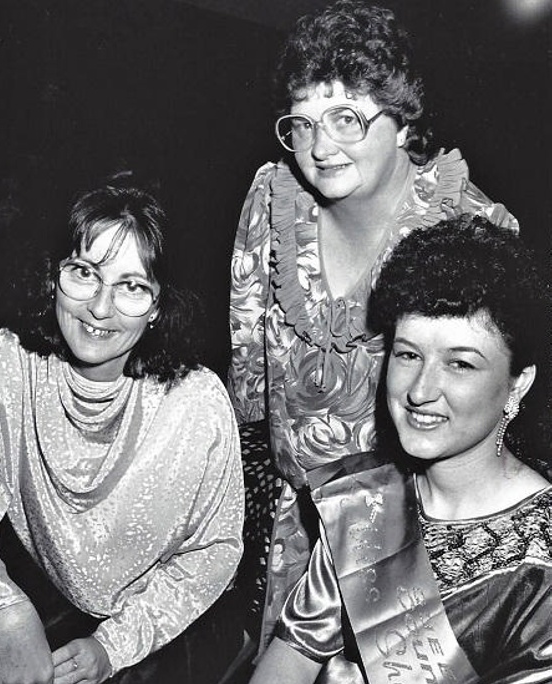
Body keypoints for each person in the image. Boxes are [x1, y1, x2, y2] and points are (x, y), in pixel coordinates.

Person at [170, 216, 552, 684]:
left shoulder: (541, 563)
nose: (421, 391)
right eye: (407, 355)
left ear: (518, 384)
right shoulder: (372, 498)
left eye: (462, 363)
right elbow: (299, 645)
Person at [227, 0, 520, 648]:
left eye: (346, 118)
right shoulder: (272, 200)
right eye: (301, 122)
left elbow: (495, 417)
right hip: (299, 535)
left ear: (403, 116)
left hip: (423, 551)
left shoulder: (469, 230)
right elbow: (249, 377)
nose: (318, 146)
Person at [0, 181, 245, 684]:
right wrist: (4, 607)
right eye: (84, 272)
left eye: (132, 286)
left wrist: (112, 647)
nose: (100, 308)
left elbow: (213, 556)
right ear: (53, 276)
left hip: (166, 627)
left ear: (158, 305)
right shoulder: (2, 363)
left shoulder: (196, 401)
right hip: (43, 598)